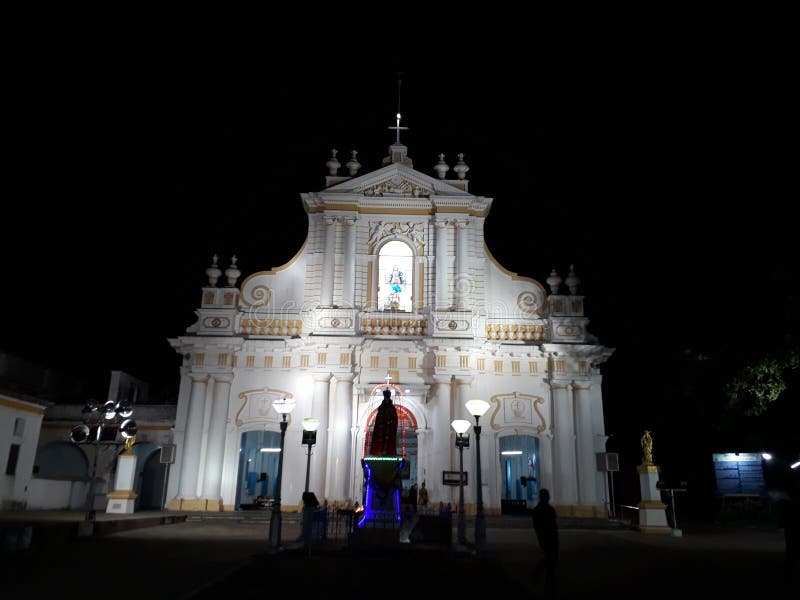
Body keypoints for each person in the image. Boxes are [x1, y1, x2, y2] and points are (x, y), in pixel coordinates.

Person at [532, 488, 558, 597]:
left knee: (549, 559)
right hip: (550, 539)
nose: (548, 498)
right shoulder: (549, 510)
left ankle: (539, 575)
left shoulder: (537, 510)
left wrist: (540, 537)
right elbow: (553, 525)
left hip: (545, 539)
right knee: (550, 561)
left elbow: (536, 526)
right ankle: (548, 585)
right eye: (547, 496)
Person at [369, 388, 398, 456]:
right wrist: (381, 424)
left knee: (388, 441)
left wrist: (390, 422)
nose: (386, 399)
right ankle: (380, 451)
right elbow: (378, 418)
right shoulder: (381, 407)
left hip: (389, 428)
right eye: (385, 398)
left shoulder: (392, 408)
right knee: (380, 441)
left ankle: (387, 451)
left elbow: (394, 419)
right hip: (381, 428)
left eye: (387, 398)